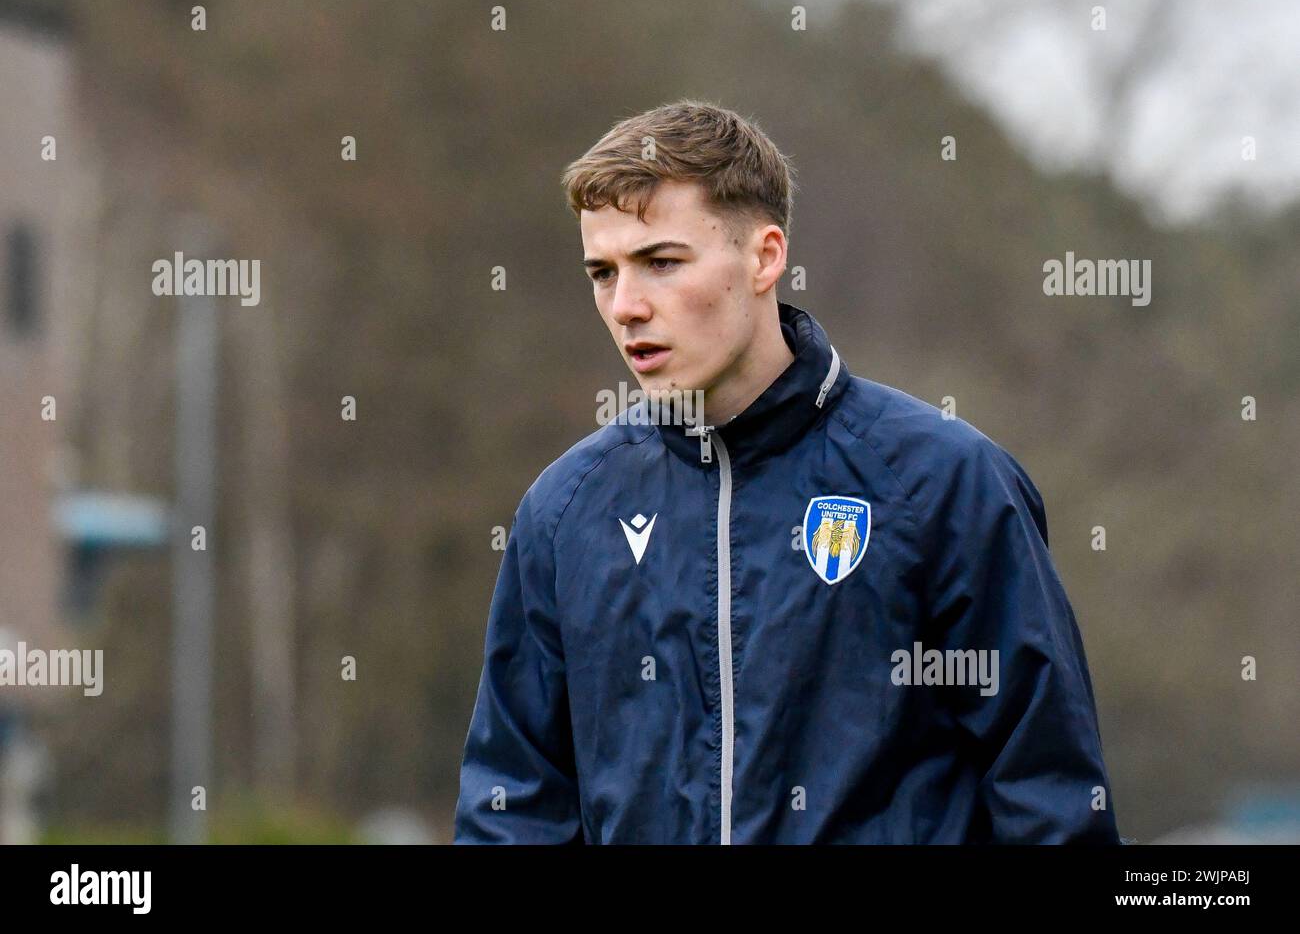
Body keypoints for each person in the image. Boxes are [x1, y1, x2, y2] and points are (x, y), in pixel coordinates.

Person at [454, 99, 1119, 844]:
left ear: (765, 257)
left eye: (661, 262)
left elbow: (1051, 801)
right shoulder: (566, 509)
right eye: (603, 273)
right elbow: (514, 808)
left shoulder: (944, 482)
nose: (627, 306)